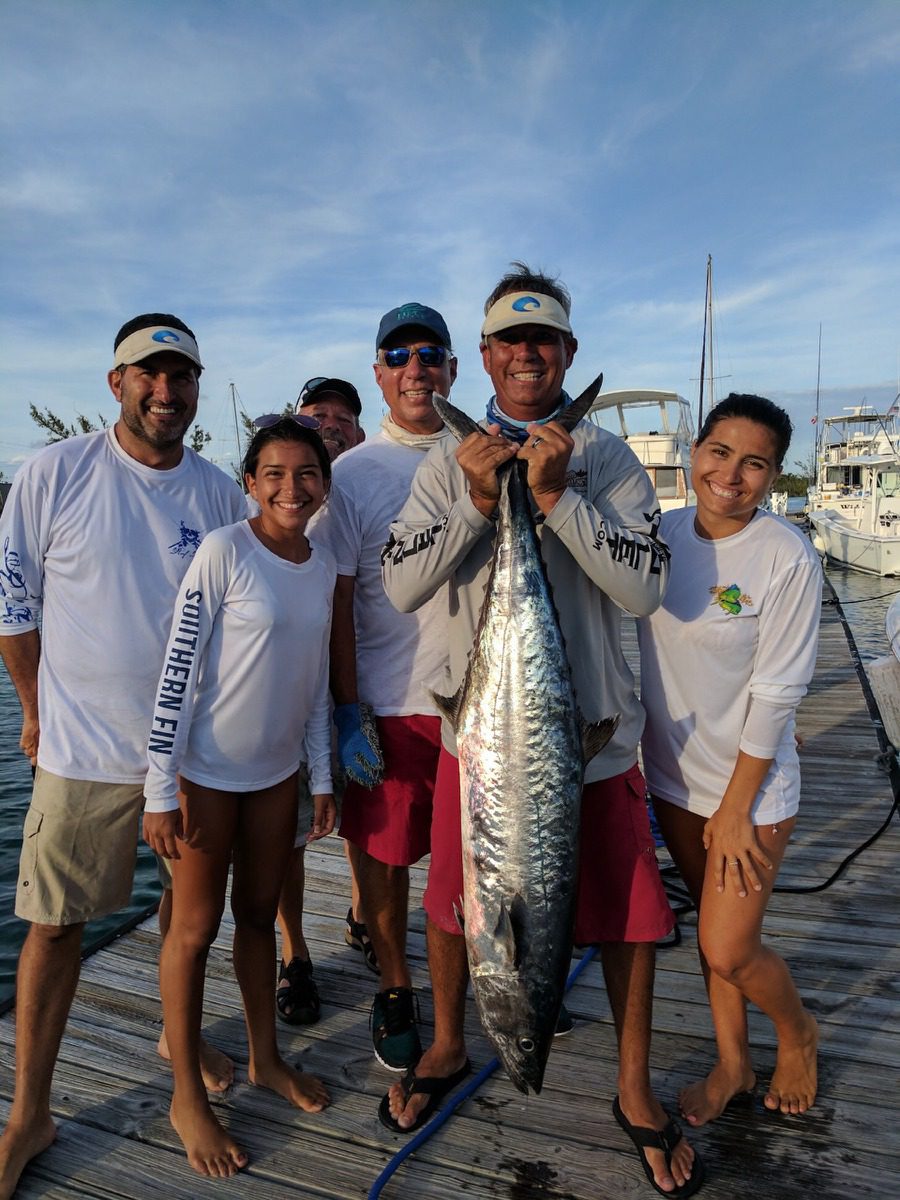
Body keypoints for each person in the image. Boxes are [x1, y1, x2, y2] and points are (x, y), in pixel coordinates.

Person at [381, 264, 702, 1198]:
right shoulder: (449, 460)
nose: (527, 353)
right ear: (484, 355)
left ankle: (634, 1089)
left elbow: (643, 587)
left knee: (636, 921)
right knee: (455, 902)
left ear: (569, 354)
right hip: (479, 747)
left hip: (592, 746)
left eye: (545, 340)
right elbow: (403, 585)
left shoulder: (609, 461)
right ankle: (447, 1044)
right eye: (510, 341)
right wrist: (483, 504)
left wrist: (558, 499)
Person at [0, 314, 247, 1199]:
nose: (166, 391)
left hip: (190, 757)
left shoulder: (222, 493)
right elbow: (15, 602)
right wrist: (32, 711)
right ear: (116, 383)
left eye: (181, 376)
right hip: (82, 753)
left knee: (191, 924)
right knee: (56, 926)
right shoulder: (54, 473)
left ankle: (182, 1053)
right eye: (149, 374)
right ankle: (30, 1109)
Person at [143, 414, 335, 1177]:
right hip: (207, 776)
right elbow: (177, 670)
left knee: (259, 919)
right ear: (249, 482)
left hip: (276, 777)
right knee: (192, 929)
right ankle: (186, 1090)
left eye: (307, 474)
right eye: (275, 475)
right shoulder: (226, 552)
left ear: (323, 482)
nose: (292, 488)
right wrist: (161, 788)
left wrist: (321, 777)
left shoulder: (320, 563)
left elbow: (315, 683)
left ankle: (264, 1059)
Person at [637, 393, 821, 1128]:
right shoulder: (656, 535)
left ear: (774, 476)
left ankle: (797, 1032)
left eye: (755, 463)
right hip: (672, 778)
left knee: (727, 944)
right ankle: (734, 1064)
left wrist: (739, 809)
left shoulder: (787, 556)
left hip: (749, 790)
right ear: (694, 452)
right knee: (717, 949)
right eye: (720, 452)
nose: (732, 475)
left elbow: (779, 691)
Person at [309, 303, 457, 1072]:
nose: (415, 368)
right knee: (385, 865)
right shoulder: (353, 472)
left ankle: (488, 980)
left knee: (482, 865)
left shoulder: (482, 451)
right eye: (398, 356)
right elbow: (337, 599)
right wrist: (344, 708)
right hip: (390, 706)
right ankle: (396, 984)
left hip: (482, 708)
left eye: (430, 353)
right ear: (379, 373)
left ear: (453, 370)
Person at [274, 376, 372, 1027]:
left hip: (365, 691)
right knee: (289, 836)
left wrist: (351, 708)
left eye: (342, 415)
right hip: (291, 702)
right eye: (317, 413)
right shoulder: (277, 505)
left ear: (358, 432)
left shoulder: (365, 488)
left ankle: (363, 914)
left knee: (364, 816)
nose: (330, 422)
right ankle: (294, 953)